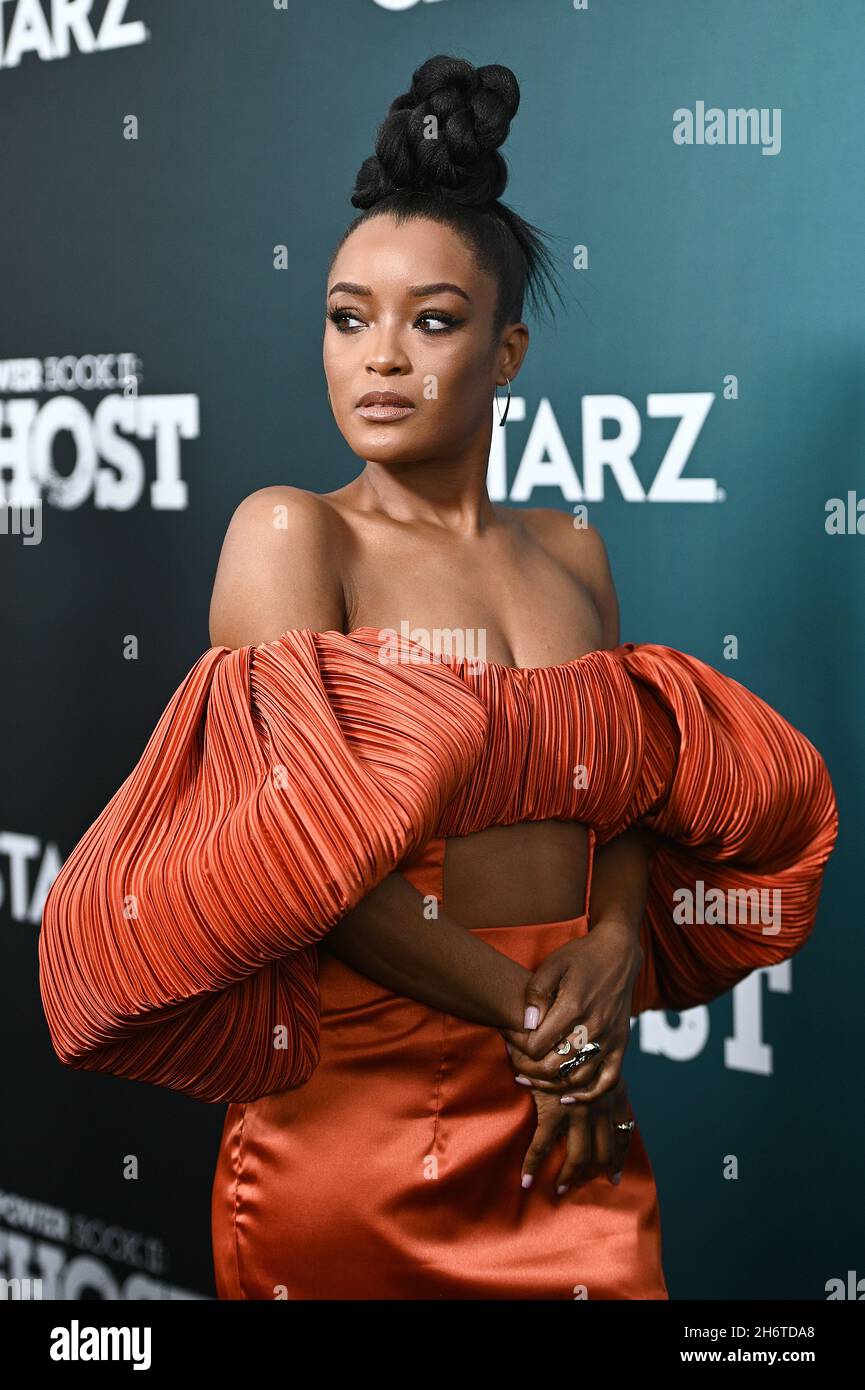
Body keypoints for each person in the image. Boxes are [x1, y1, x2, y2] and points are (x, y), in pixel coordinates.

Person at [39, 55, 838, 1301]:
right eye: (348, 316)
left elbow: (621, 800)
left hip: (564, 1105)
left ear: (508, 349)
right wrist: (542, 1021)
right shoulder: (293, 536)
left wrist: (615, 955)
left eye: (433, 319)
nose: (381, 357)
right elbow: (306, 866)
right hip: (354, 1128)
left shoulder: (573, 549)